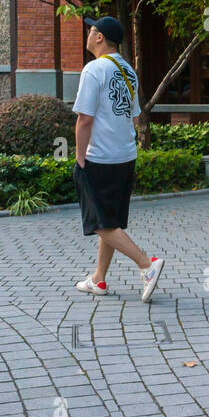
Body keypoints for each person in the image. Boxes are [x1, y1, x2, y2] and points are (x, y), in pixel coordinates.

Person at [72, 16, 165, 302]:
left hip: (99, 157)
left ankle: (147, 265)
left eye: (91, 30)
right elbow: (135, 115)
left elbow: (85, 119)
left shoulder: (94, 70)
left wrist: (79, 157)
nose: (88, 34)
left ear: (100, 37)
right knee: (110, 220)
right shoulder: (129, 70)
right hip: (125, 156)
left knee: (100, 222)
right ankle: (99, 279)